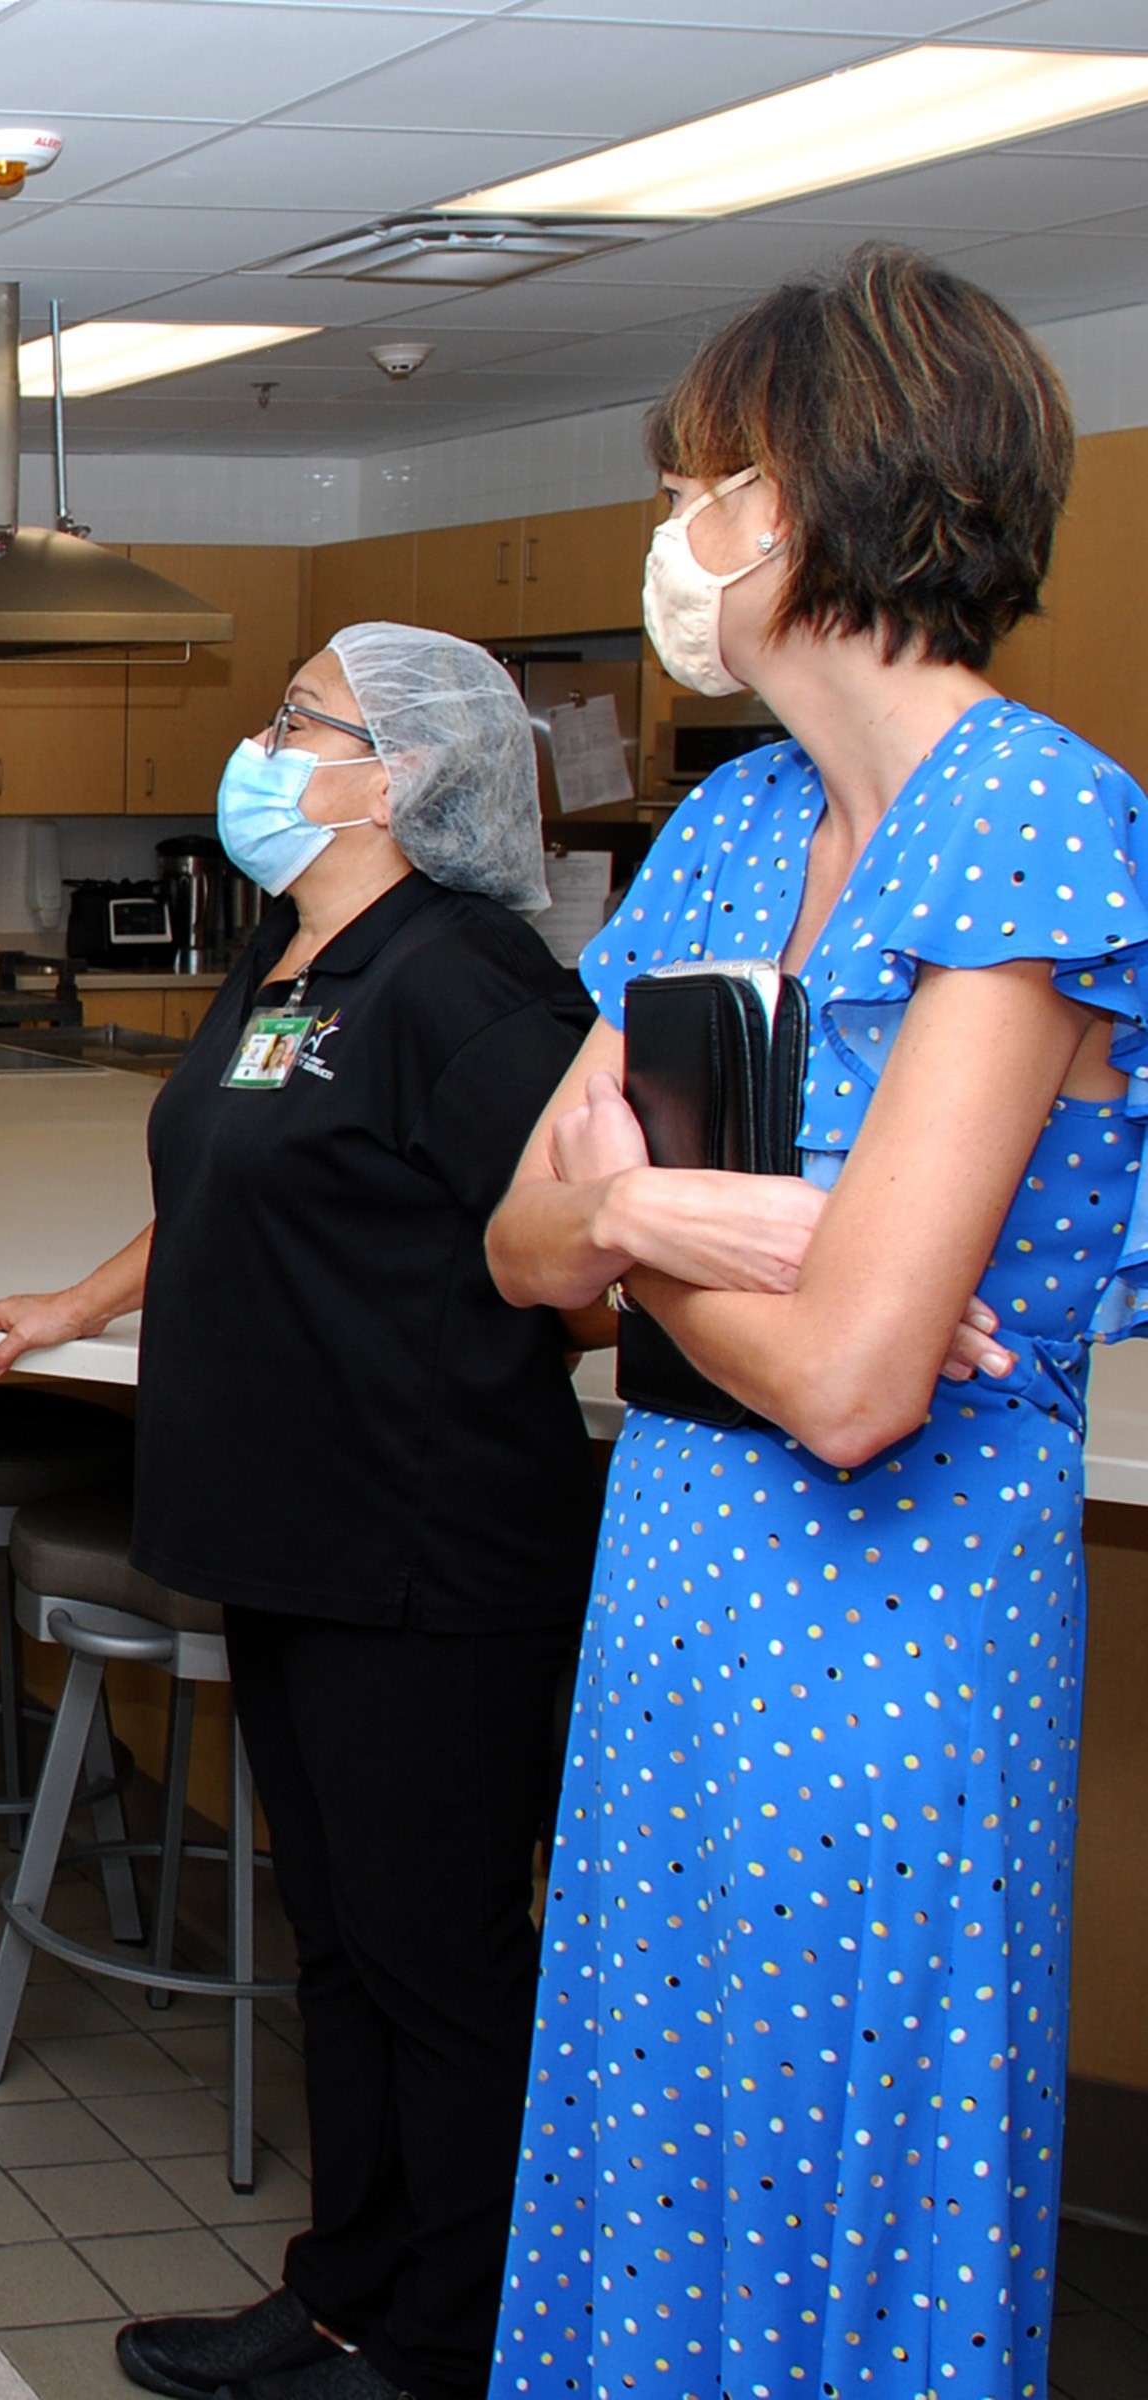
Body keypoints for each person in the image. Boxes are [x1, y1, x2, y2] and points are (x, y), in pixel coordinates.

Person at [483, 244, 1113, 2400]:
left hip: (893, 1619)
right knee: (647, 2123)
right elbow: (512, 1248)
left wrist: (641, 1232)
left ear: (794, 502)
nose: (674, 538)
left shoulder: (1031, 820)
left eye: (691, 487)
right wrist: (740, 1228)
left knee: (845, 2153)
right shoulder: (730, 828)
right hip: (675, 1573)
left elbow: (854, 1392)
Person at [0, 626, 606, 2400]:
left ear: (393, 775)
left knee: (434, 1965)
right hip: (291, 1531)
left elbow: (581, 1260)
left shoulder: (466, 986)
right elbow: (234, 1184)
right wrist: (77, 1304)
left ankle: (451, 2341)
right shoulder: (296, 952)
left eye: (292, 721)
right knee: (338, 1941)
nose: (256, 743)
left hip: (423, 1548)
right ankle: (341, 2292)